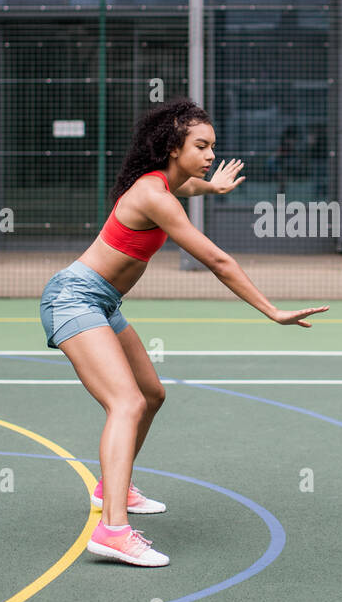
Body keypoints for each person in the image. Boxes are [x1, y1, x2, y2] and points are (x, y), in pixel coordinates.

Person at [41, 98, 327, 567]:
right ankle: (112, 531)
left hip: (103, 302)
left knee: (150, 394)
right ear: (173, 146)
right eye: (201, 145)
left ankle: (111, 487)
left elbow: (187, 185)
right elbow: (216, 259)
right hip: (74, 298)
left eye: (213, 145)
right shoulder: (155, 195)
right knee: (126, 402)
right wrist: (270, 310)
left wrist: (211, 189)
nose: (211, 153)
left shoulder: (166, 184)